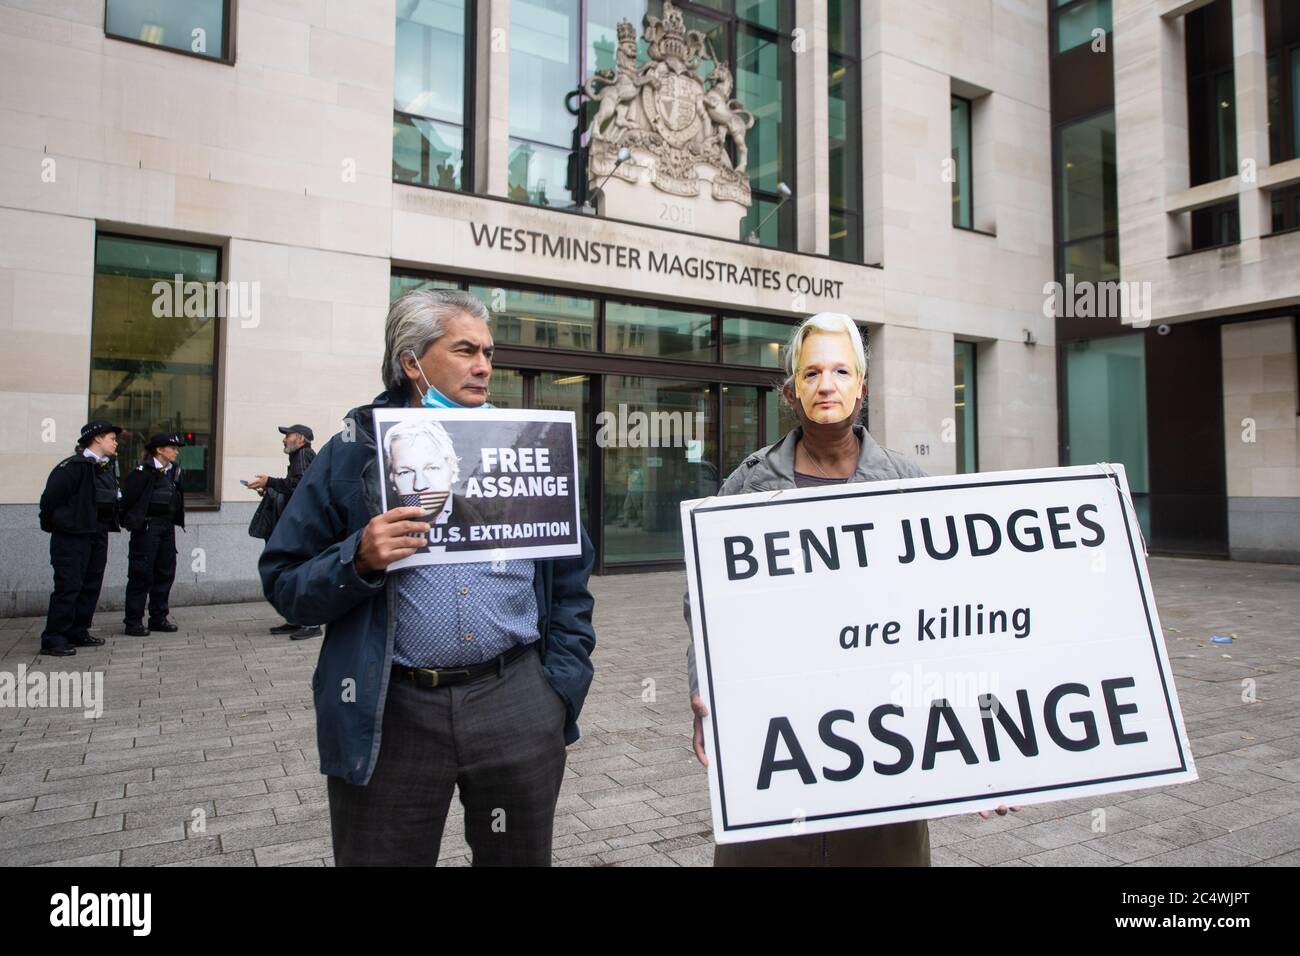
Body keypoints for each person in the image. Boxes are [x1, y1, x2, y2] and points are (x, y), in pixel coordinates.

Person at [259, 288, 597, 866]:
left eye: (489, 352)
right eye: (466, 350)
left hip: (516, 700)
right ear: (412, 361)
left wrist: (559, 687)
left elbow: (571, 580)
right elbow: (284, 579)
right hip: (392, 708)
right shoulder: (350, 452)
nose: (485, 366)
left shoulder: (520, 444)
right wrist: (357, 559)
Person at [684, 312, 1017, 866]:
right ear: (791, 391)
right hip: (775, 761)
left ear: (862, 387)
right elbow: (704, 604)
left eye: (841, 370)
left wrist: (980, 741)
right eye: (811, 373)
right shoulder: (745, 486)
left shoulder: (908, 485)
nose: (826, 384)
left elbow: (952, 613)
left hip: (886, 759)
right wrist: (705, 690)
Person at [37, 420, 123, 657]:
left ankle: (78, 631)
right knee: (69, 586)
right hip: (72, 536)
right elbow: (50, 500)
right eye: (111, 438)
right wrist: (57, 526)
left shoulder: (107, 467)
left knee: (90, 584)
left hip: (97, 533)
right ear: (97, 438)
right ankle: (54, 638)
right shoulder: (73, 467)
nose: (115, 442)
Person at [248, 425, 320, 639]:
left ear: (300, 439)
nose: (283, 440)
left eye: (287, 436)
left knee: (302, 573)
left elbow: (300, 485)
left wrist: (270, 481)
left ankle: (311, 623)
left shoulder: (303, 455)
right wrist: (271, 489)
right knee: (293, 573)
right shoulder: (299, 457)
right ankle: (296, 620)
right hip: (300, 526)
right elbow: (294, 488)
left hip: (304, 528)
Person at [120, 432, 186, 636]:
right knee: (141, 573)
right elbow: (127, 499)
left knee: (165, 571)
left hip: (167, 526)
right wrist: (135, 523)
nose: (176, 451)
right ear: (159, 450)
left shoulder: (173, 471)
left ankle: (158, 617)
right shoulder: (143, 470)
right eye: (172, 448)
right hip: (148, 527)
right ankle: (133, 621)